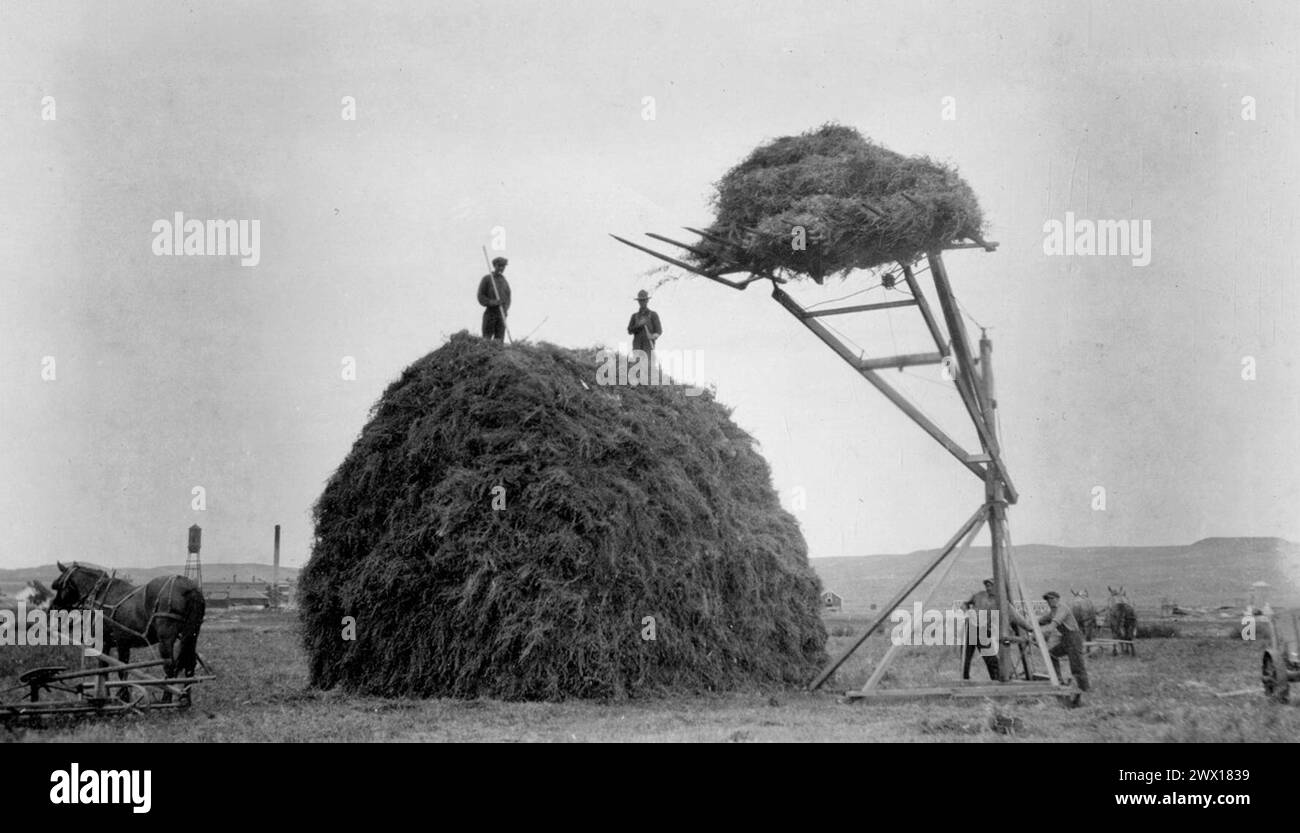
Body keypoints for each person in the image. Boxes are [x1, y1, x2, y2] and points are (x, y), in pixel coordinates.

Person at [1034, 591, 1090, 692]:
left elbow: (1052, 625)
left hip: (1074, 638)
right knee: (1052, 654)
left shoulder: (1062, 609)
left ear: (1058, 599)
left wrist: (1039, 633)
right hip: (1066, 639)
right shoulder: (1052, 612)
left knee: (1077, 664)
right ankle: (1058, 680)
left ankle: (1084, 688)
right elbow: (1038, 621)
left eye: (1052, 599)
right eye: (1048, 599)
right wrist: (1030, 625)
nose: (1050, 601)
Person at [962, 579, 1000, 681]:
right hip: (971, 627)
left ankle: (996, 680)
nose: (989, 588)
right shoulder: (979, 595)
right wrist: (966, 613)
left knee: (990, 657)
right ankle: (965, 680)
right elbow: (965, 604)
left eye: (991, 586)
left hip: (984, 630)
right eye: (987, 586)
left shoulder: (1000, 600)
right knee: (966, 657)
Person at [477, 257, 512, 341]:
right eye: (499, 266)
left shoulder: (504, 281)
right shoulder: (487, 279)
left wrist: (505, 309)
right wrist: (493, 302)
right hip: (490, 314)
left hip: (501, 315)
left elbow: (508, 297)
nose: (501, 268)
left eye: (503, 266)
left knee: (499, 341)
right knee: (487, 340)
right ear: (494, 266)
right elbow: (480, 296)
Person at [626, 290, 662, 369]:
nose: (642, 302)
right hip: (637, 346)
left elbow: (659, 330)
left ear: (647, 301)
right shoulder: (634, 316)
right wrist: (638, 325)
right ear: (638, 301)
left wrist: (652, 336)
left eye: (644, 300)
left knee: (648, 368)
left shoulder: (653, 315)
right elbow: (629, 330)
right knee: (637, 368)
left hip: (648, 346)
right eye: (640, 300)